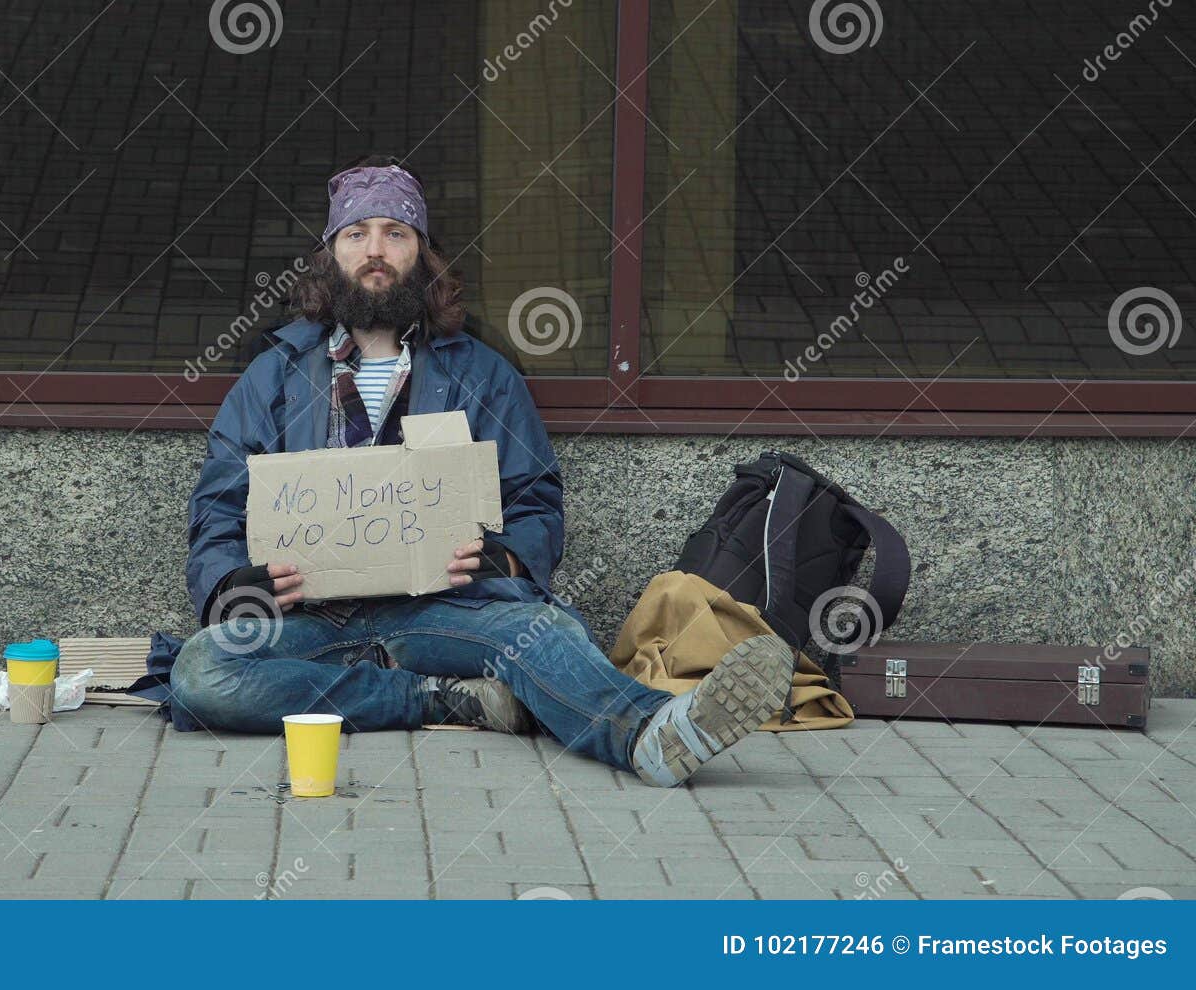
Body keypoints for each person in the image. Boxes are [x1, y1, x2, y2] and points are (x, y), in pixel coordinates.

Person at [173, 154, 793, 786]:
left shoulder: (481, 370)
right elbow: (221, 504)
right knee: (202, 671)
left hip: (442, 609)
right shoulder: (274, 374)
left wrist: (511, 558)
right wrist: (232, 582)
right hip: (308, 618)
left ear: (423, 252)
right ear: (331, 255)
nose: (375, 250)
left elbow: (533, 496)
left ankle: (653, 735)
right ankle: (443, 698)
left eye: (396, 233)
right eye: (356, 235)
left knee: (542, 630)